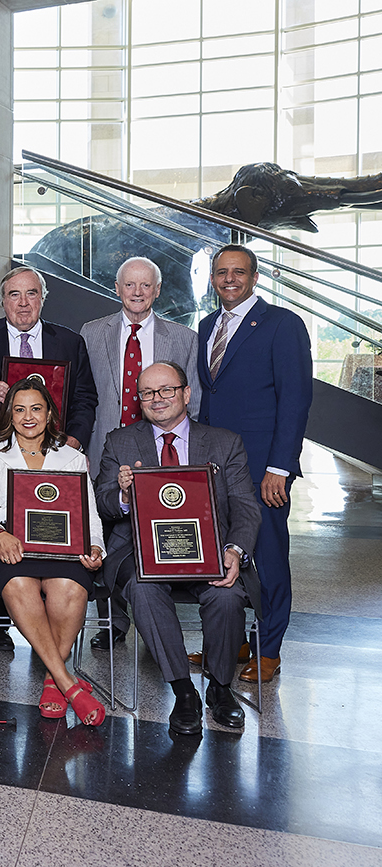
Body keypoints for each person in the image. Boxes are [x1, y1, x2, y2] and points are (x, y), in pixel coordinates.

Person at [96, 363, 260, 734]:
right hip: (141, 554)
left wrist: (233, 550)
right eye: (148, 393)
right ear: (139, 400)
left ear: (187, 393)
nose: (158, 399)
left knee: (227, 597)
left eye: (167, 390)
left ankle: (220, 688)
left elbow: (246, 508)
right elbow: (100, 503)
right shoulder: (119, 442)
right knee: (143, 588)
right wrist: (122, 493)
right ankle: (184, 692)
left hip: (210, 552)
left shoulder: (223, 442)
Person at [0, 265, 98, 650]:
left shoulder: (69, 342)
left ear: (43, 298)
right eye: (14, 295)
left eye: (31, 294)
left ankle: (49, 635)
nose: (23, 303)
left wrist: (73, 441)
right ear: (2, 300)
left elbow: (86, 397)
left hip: (54, 456)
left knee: (48, 534)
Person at [196, 244, 312, 684]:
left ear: (255, 276)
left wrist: (280, 467)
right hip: (216, 466)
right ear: (212, 279)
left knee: (268, 556)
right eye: (221, 272)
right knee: (225, 553)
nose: (229, 279)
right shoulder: (207, 325)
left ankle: (269, 647)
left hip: (264, 469)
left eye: (238, 272)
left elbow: (295, 401)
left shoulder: (283, 325)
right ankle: (233, 642)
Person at [79, 256, 200, 650]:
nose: (137, 292)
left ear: (158, 290)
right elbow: (83, 394)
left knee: (158, 526)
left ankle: (156, 618)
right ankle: (111, 622)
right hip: (106, 446)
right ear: (117, 288)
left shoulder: (183, 338)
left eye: (145, 285)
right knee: (107, 531)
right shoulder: (92, 332)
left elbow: (191, 399)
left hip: (160, 448)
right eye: (129, 285)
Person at [0, 378, 107, 726]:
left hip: (62, 547)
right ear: (9, 415)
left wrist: (95, 547)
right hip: (11, 545)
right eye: (19, 409)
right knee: (18, 585)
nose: (28, 417)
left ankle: (53, 681)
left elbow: (88, 514)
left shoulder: (72, 457)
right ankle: (68, 683)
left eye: (36, 409)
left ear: (49, 414)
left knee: (71, 588)